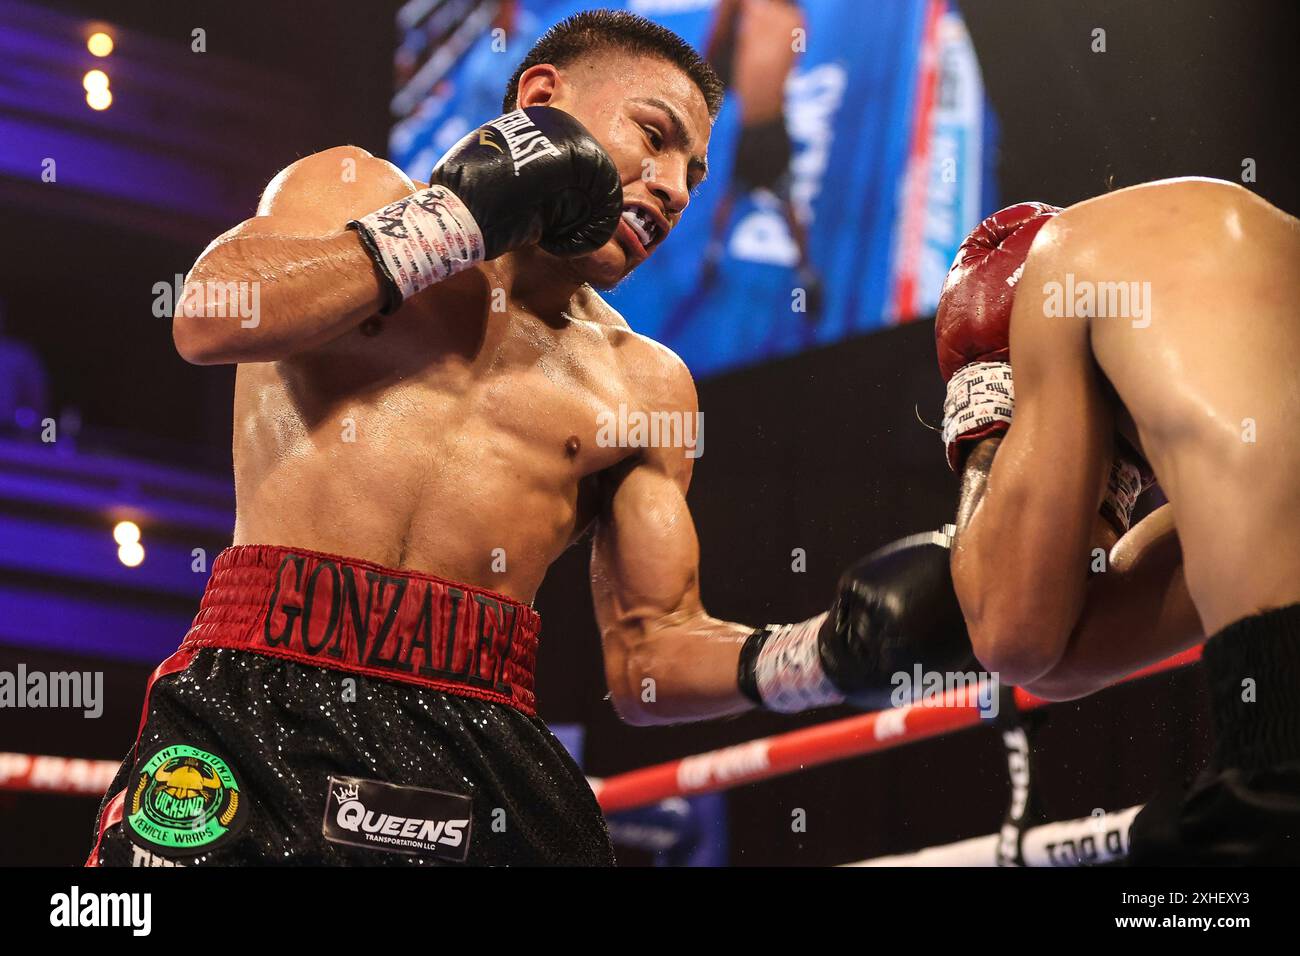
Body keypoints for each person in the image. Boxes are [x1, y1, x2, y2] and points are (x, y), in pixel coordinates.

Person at [88, 10, 969, 867]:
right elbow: (209, 317)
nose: (672, 187)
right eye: (654, 136)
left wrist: (818, 655)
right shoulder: (352, 191)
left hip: (481, 729)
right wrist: (451, 223)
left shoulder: (643, 384)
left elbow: (650, 653)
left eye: (695, 173)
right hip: (258, 688)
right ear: (541, 98)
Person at [936, 180, 1300, 863]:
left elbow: (1013, 637)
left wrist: (991, 424)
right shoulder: (1272, 254)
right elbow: (1066, 659)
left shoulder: (1068, 252)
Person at [698, 0, 822, 321]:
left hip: (763, 132)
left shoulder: (765, 13)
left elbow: (720, 40)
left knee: (757, 197)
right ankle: (806, 273)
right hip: (767, 129)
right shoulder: (792, 19)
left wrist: (717, 63)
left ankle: (714, 256)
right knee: (769, 198)